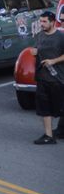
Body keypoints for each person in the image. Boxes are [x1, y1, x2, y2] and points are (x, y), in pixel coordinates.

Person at [31, 10, 64, 143]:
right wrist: (35, 52)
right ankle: (48, 136)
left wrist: (53, 61)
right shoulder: (39, 36)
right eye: (41, 21)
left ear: (52, 22)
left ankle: (60, 130)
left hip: (58, 79)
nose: (42, 24)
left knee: (60, 108)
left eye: (44, 21)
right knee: (44, 108)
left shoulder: (60, 37)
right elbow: (37, 49)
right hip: (42, 78)